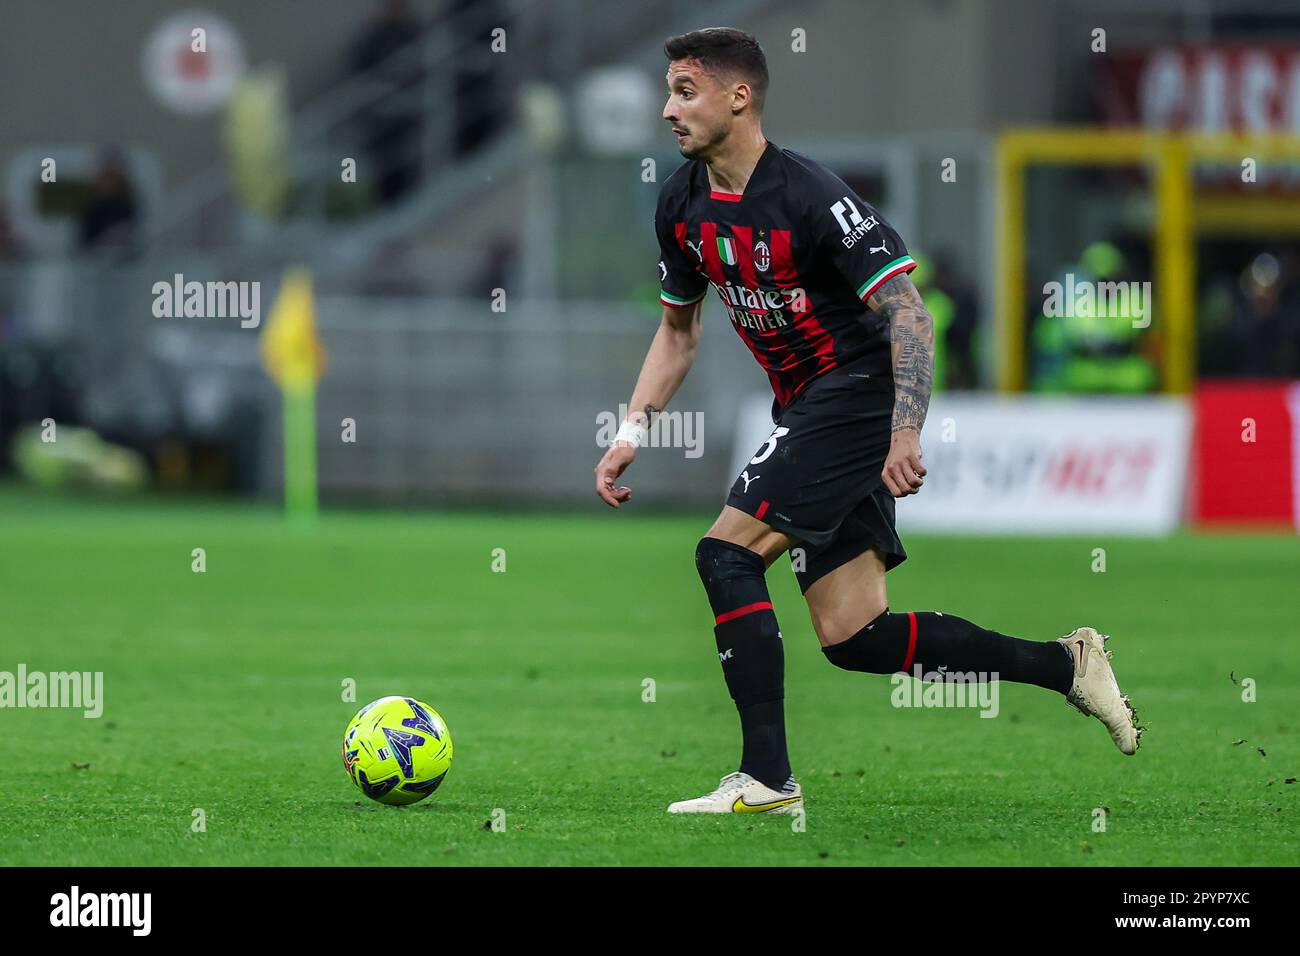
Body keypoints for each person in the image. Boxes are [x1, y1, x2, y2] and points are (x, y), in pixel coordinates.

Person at [593, 28, 1142, 816]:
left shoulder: (814, 198)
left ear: (739, 97)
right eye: (670, 91)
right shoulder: (680, 203)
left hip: (855, 397)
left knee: (724, 554)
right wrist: (630, 432)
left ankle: (768, 780)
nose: (667, 109)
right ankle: (1068, 664)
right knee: (856, 637)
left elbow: (908, 314)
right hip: (809, 408)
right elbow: (679, 332)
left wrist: (905, 429)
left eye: (685, 90)